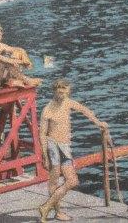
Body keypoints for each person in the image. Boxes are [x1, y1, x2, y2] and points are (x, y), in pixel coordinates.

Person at [38, 79, 109, 222]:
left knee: (72, 181)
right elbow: (42, 135)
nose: (63, 95)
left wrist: (98, 123)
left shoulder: (68, 102)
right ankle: (56, 212)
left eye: (65, 92)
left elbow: (84, 110)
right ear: (54, 91)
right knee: (54, 181)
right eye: (60, 92)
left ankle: (46, 207)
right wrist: (45, 155)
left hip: (64, 147)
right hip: (53, 147)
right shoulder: (47, 110)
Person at [0, 25, 40, 90]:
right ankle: (26, 80)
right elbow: (3, 59)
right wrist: (23, 62)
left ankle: (13, 80)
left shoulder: (0, 46)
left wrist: (26, 58)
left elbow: (17, 50)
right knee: (5, 61)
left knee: (17, 53)